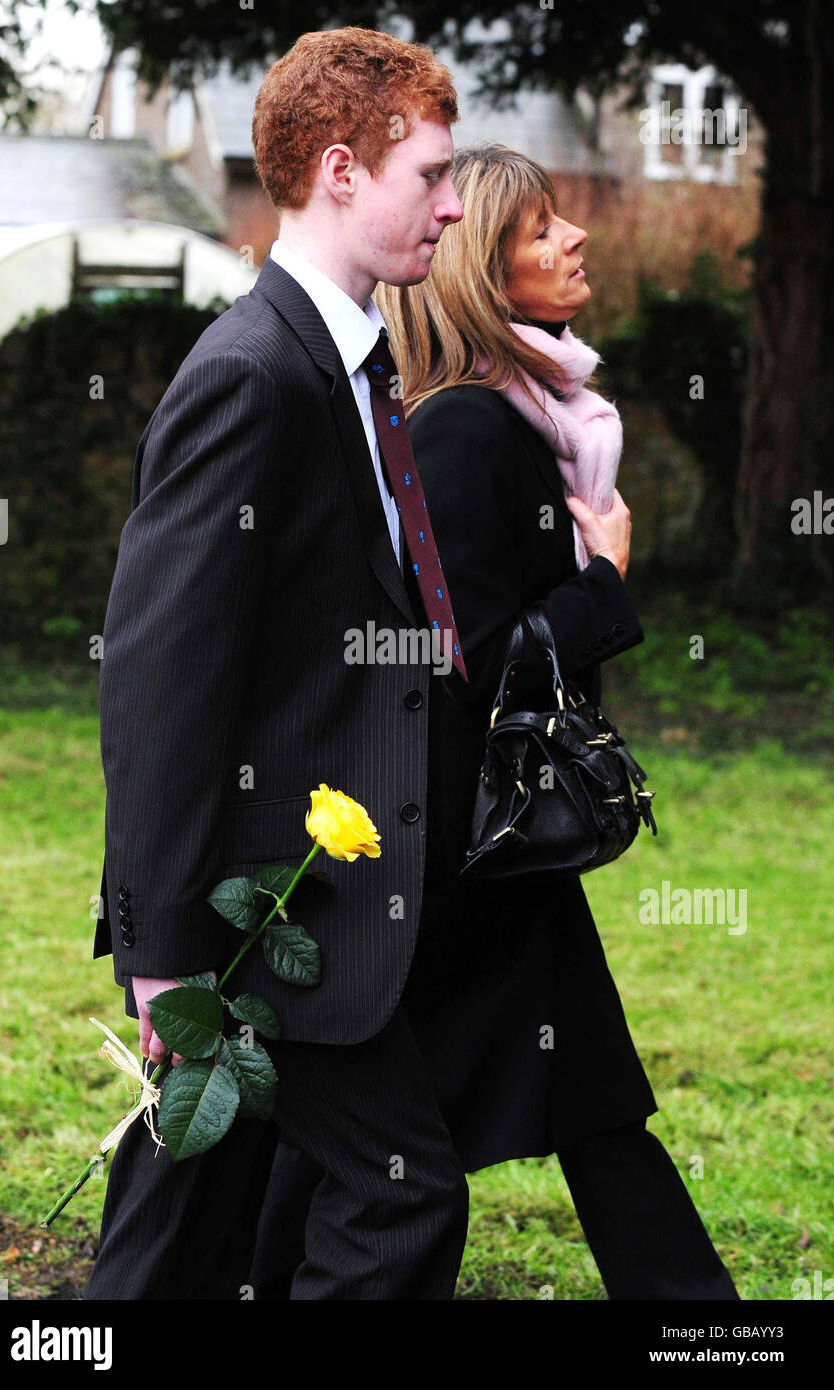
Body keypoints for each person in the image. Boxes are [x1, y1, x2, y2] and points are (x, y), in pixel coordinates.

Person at [248, 144, 741, 1301]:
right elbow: (454, 662)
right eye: (540, 229)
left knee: (562, 1109)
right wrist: (605, 584)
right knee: (473, 1123)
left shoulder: (525, 419)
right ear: (482, 269)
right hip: (464, 854)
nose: (574, 242)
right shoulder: (476, 429)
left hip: (478, 854)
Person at [84, 26, 474, 1301]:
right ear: (345, 171)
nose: (455, 202)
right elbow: (158, 681)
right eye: (433, 174)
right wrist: (161, 952)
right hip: (262, 917)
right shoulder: (253, 375)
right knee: (401, 1196)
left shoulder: (358, 369)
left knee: (191, 1226)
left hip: (338, 907)